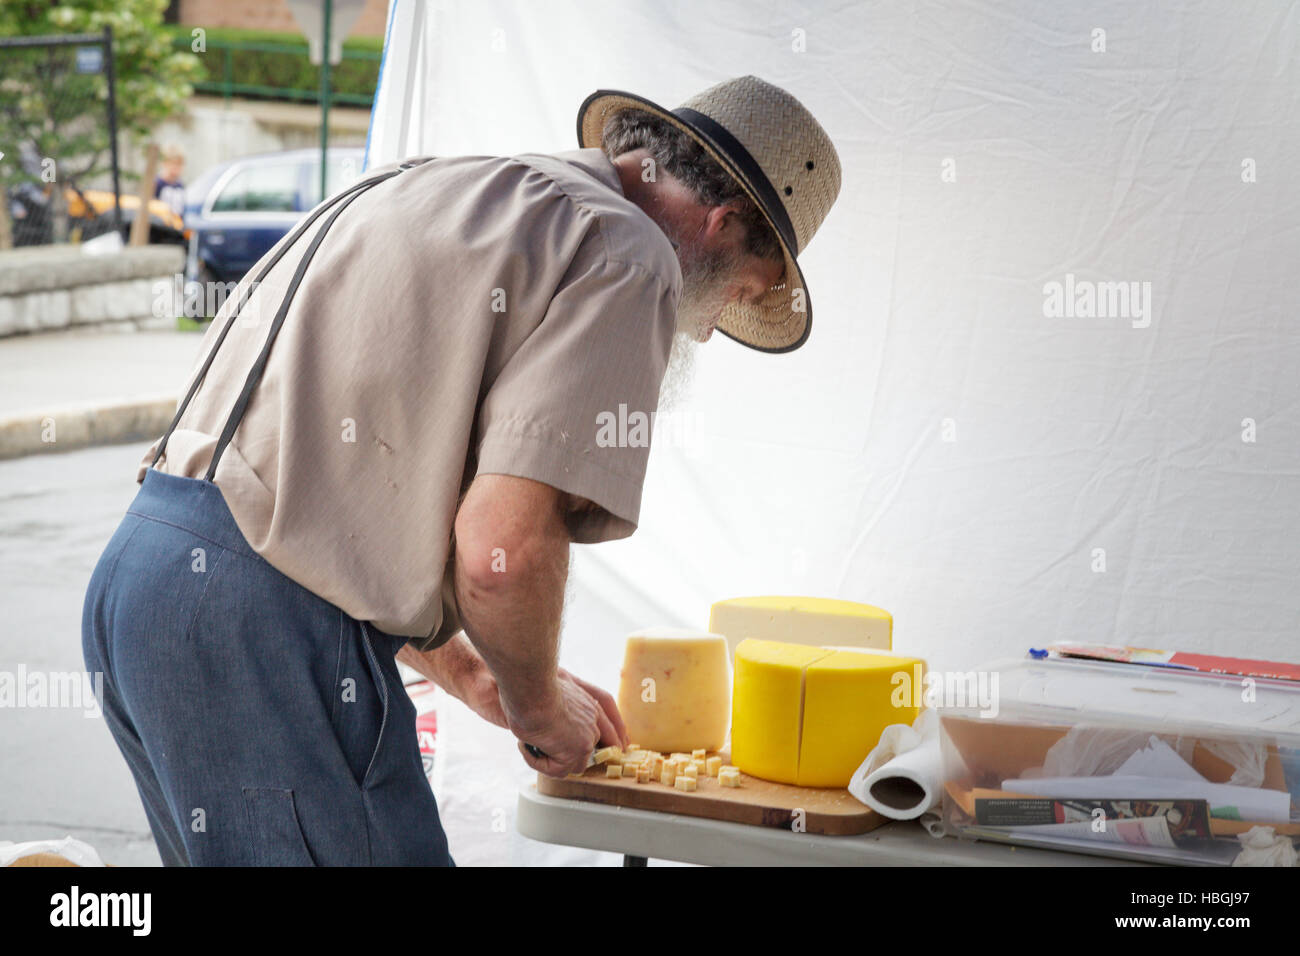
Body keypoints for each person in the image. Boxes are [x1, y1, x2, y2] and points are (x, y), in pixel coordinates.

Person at [80, 75, 841, 866]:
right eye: (738, 296)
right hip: (258, 633)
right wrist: (540, 709)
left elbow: (341, 522)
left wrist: (480, 680)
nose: (711, 330)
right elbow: (499, 554)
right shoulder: (629, 253)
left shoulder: (430, 183)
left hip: (142, 587)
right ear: (723, 226)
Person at [153, 143, 186, 218]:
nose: (176, 167)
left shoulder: (180, 185)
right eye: (173, 164)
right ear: (165, 163)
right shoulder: (158, 183)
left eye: (179, 164)